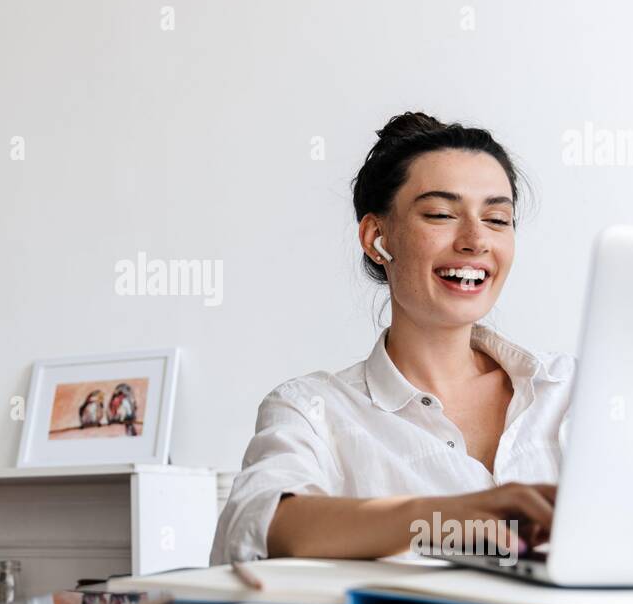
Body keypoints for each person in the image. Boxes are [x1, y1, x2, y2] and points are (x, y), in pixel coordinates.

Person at [210, 112, 573, 564]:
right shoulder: (313, 409)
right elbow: (263, 526)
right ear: (377, 238)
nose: (476, 240)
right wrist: (451, 518)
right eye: (441, 214)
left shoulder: (574, 393)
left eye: (497, 219)